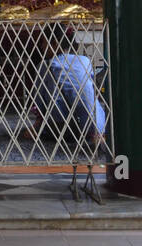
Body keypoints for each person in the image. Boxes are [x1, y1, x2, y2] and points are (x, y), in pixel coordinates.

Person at [30, 22, 108, 151]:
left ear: (54, 43)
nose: (41, 47)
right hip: (98, 124)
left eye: (43, 43)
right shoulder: (85, 60)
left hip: (64, 127)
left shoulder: (45, 66)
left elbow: (39, 100)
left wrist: (37, 124)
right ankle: (96, 135)